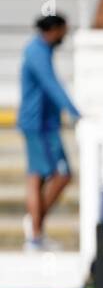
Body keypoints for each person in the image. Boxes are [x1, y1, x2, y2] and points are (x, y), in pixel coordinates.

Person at [18, 15, 80, 252]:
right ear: (53, 30)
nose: (64, 36)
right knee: (55, 175)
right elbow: (50, 84)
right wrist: (74, 112)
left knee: (40, 176)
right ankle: (34, 229)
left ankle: (35, 227)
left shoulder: (41, 50)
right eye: (62, 31)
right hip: (39, 125)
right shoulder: (37, 52)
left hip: (44, 123)